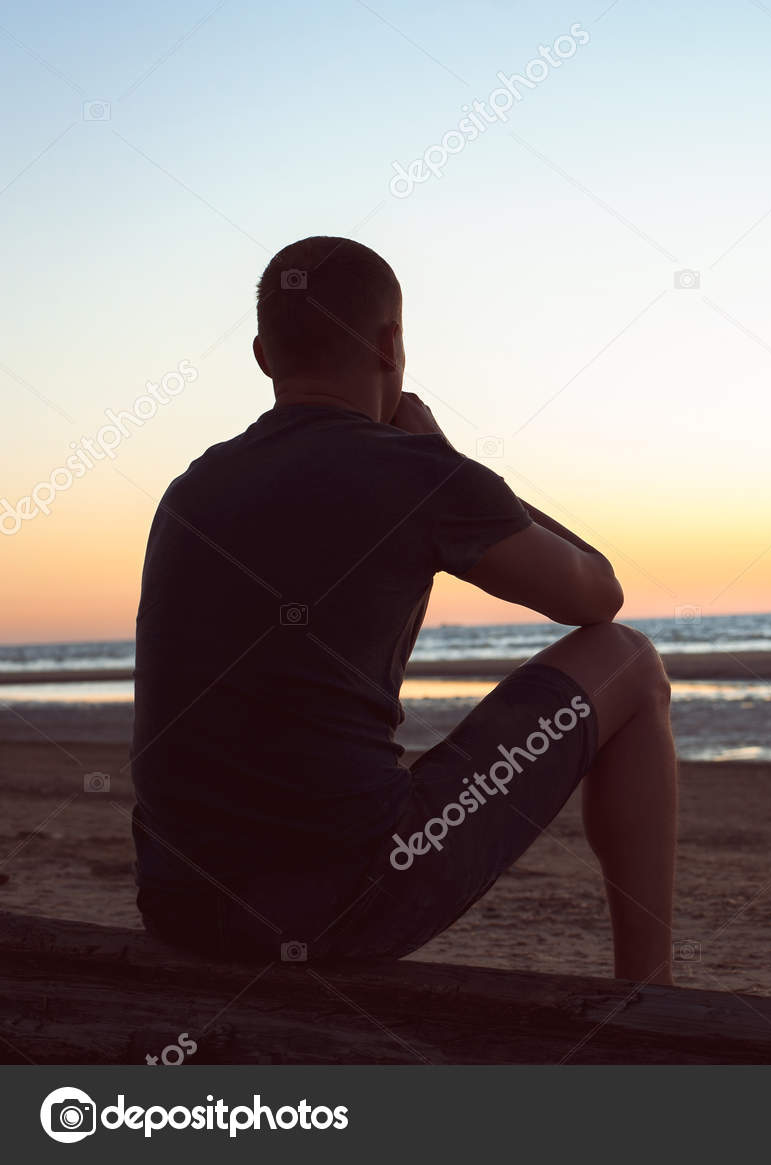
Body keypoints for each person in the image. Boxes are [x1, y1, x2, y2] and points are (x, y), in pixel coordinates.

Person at [130, 236, 677, 983]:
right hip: (355, 896)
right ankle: (648, 992)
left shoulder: (188, 489)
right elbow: (596, 595)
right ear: (392, 343)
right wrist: (451, 460)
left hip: (181, 902)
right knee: (632, 660)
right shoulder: (417, 470)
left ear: (263, 354)